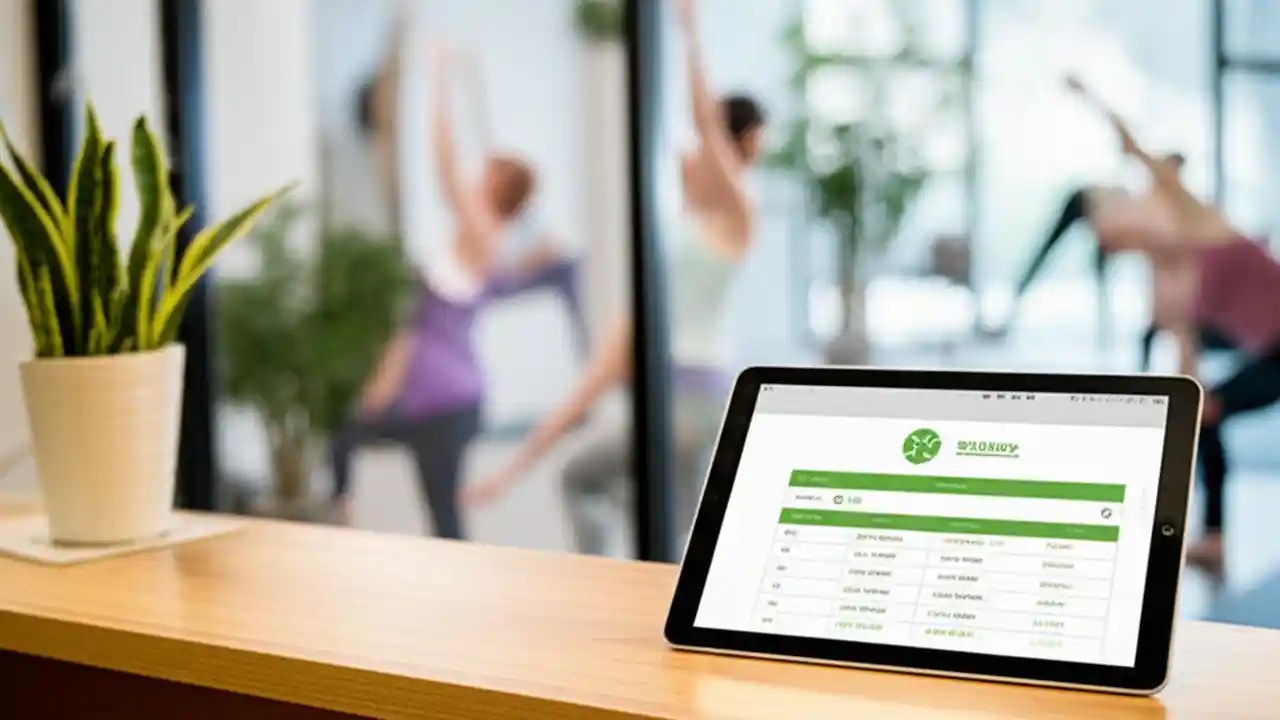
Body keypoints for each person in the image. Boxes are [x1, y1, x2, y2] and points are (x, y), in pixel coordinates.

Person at [462, 0, 767, 555]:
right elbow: (599, 373)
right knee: (648, 519)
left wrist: (690, 34)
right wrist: (509, 471)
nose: (690, 159)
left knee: (647, 519)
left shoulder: (736, 217)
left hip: (691, 404)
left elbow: (704, 125)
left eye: (703, 152)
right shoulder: (674, 245)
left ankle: (619, 586)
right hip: (676, 400)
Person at [329, 40, 563, 536]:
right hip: (423, 399)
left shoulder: (485, 236)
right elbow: (412, 330)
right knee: (350, 438)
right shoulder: (470, 239)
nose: (479, 173)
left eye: (490, 173)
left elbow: (446, 162)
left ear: (499, 190)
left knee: (445, 522)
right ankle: (343, 509)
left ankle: (464, 604)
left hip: (450, 401)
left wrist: (438, 82)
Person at [1077, 79, 1280, 574]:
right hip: (1273, 350)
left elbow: (1135, 149)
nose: (1116, 243)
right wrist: (1191, 396)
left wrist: (1090, 96)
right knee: (1206, 415)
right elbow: (1186, 350)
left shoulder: (1198, 222)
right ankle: (1213, 538)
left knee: (1209, 414)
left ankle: (1214, 537)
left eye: (1115, 233)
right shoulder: (1172, 283)